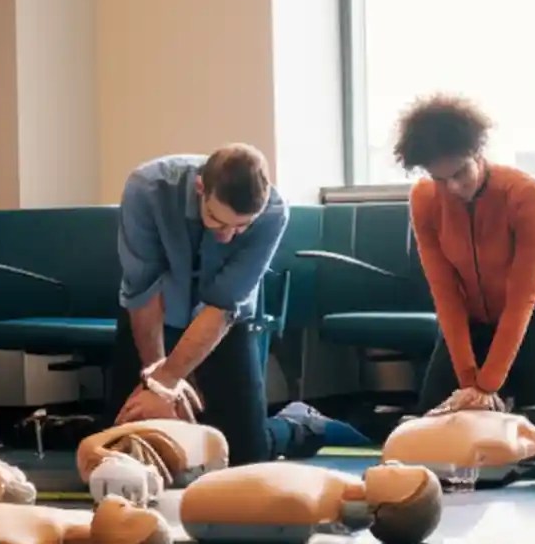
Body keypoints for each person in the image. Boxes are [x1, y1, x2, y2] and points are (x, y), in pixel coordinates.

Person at [109, 144, 369, 465]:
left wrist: (167, 382)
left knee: (246, 454)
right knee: (123, 442)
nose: (229, 237)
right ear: (200, 188)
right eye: (218, 222)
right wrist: (159, 383)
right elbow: (142, 291)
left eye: (242, 226)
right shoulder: (146, 190)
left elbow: (222, 306)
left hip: (220, 323)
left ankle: (301, 423)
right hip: (155, 318)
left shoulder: (273, 212)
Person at [394, 94, 535, 417]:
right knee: (434, 421)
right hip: (468, 321)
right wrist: (468, 383)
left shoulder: (525, 192)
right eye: (439, 179)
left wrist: (487, 385)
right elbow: (445, 294)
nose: (453, 188)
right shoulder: (424, 199)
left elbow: (522, 298)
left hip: (533, 315)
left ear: (477, 152)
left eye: (460, 173)